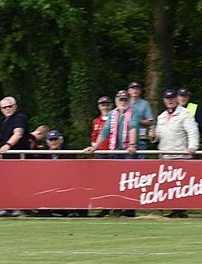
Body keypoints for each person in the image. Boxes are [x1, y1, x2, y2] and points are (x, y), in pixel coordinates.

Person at [85, 89, 140, 217]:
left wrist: (132, 144)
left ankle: (129, 209)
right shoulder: (112, 114)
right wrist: (95, 147)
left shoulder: (134, 113)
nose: (123, 102)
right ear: (116, 101)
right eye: (120, 100)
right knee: (114, 181)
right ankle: (116, 207)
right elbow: (104, 131)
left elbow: (133, 127)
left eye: (125, 99)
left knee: (128, 180)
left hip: (127, 152)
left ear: (129, 101)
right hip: (114, 151)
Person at [151, 88, 199, 218]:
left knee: (179, 185)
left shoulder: (185, 113)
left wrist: (193, 146)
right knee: (166, 185)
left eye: (172, 98)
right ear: (164, 100)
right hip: (165, 154)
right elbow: (158, 136)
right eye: (167, 98)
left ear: (176, 99)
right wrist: (154, 136)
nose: (170, 101)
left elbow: (192, 131)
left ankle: (180, 211)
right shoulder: (162, 116)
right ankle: (171, 209)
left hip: (180, 154)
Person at [0, 96, 30, 217]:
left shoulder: (19, 117)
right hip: (7, 157)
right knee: (7, 182)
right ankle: (8, 207)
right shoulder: (4, 121)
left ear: (15, 106)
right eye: (4, 107)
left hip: (18, 156)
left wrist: (7, 145)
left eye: (10, 106)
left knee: (19, 182)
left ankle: (18, 207)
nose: (7, 109)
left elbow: (18, 133)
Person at [42, 130, 87, 217]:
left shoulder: (68, 150)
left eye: (55, 139)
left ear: (60, 140)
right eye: (51, 140)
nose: (53, 142)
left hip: (66, 179)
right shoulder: (42, 152)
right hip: (48, 179)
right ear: (47, 141)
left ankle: (74, 211)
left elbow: (71, 167)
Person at [127, 81, 154, 156]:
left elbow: (150, 121)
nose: (135, 91)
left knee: (140, 161)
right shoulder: (124, 103)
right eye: (132, 89)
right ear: (129, 91)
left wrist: (136, 121)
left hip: (141, 138)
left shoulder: (145, 104)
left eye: (137, 89)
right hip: (126, 138)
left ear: (140, 91)